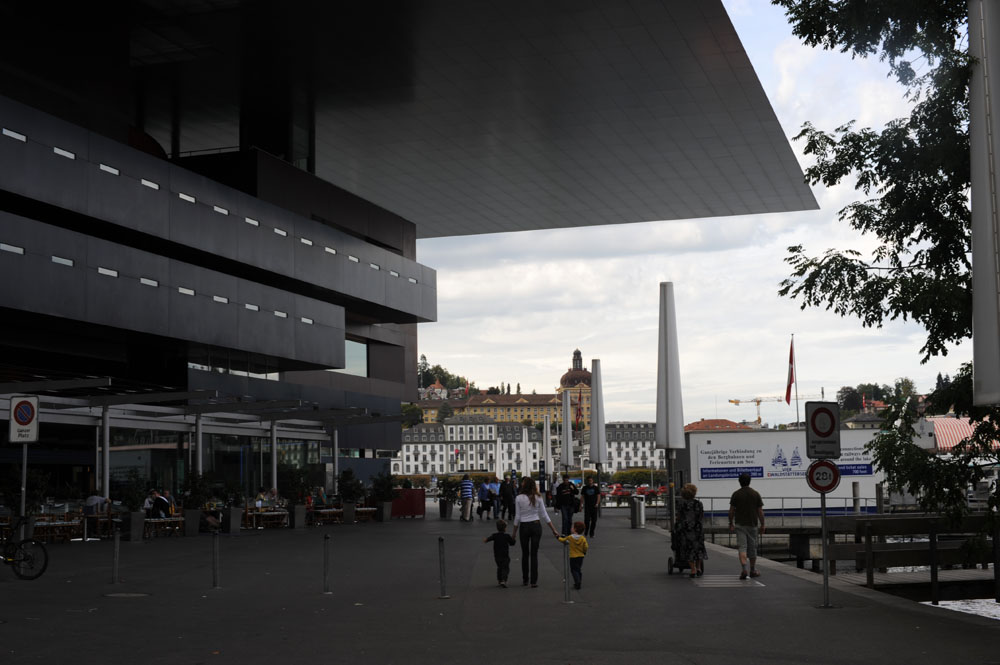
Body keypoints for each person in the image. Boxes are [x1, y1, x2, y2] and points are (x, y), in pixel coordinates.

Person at [511, 477, 559, 587]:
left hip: (524, 526)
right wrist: (554, 530)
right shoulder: (538, 497)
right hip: (536, 525)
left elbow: (517, 517)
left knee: (525, 554)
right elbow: (544, 515)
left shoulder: (518, 498)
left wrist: (514, 533)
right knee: (534, 554)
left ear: (524, 485)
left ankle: (525, 579)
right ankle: (534, 581)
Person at [729, 472, 765, 580]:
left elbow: (731, 511)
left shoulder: (736, 494)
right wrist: (763, 524)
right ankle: (753, 570)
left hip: (740, 525)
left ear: (739, 482)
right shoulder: (755, 494)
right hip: (752, 525)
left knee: (742, 547)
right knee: (752, 548)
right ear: (750, 481)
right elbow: (760, 511)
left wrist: (731, 523)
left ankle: (744, 569)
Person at [675, 483, 707, 578]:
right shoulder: (698, 503)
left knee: (688, 549)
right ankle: (698, 568)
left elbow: (679, 517)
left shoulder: (681, 504)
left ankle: (692, 569)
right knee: (698, 548)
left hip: (686, 529)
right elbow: (701, 516)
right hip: (697, 529)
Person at [483, 519, 516, 587]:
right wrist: (513, 538)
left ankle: (499, 580)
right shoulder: (507, 536)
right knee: (505, 568)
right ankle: (503, 580)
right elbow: (512, 543)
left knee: (499, 567)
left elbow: (488, 539)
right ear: (505, 528)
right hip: (505, 556)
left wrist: (486, 540)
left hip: (497, 555)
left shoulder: (495, 535)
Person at [558, 520, 589, 589]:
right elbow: (586, 546)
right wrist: (584, 551)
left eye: (572, 527)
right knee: (578, 569)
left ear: (575, 529)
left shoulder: (570, 537)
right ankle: (579, 581)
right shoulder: (583, 538)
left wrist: (558, 537)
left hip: (573, 556)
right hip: (581, 556)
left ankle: (577, 582)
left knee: (573, 570)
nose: (571, 528)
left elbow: (563, 540)